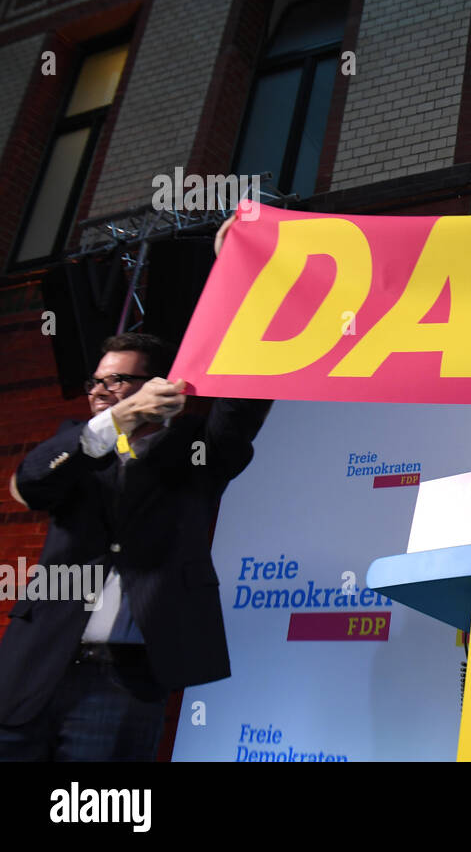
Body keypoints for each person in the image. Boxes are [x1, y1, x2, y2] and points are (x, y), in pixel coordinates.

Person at [0, 223, 270, 761]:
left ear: (155, 386)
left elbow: (244, 396)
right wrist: (115, 420)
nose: (100, 392)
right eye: (96, 382)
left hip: (125, 679)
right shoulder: (74, 445)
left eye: (117, 382)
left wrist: (245, 282)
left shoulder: (197, 451)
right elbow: (31, 482)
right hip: (32, 668)